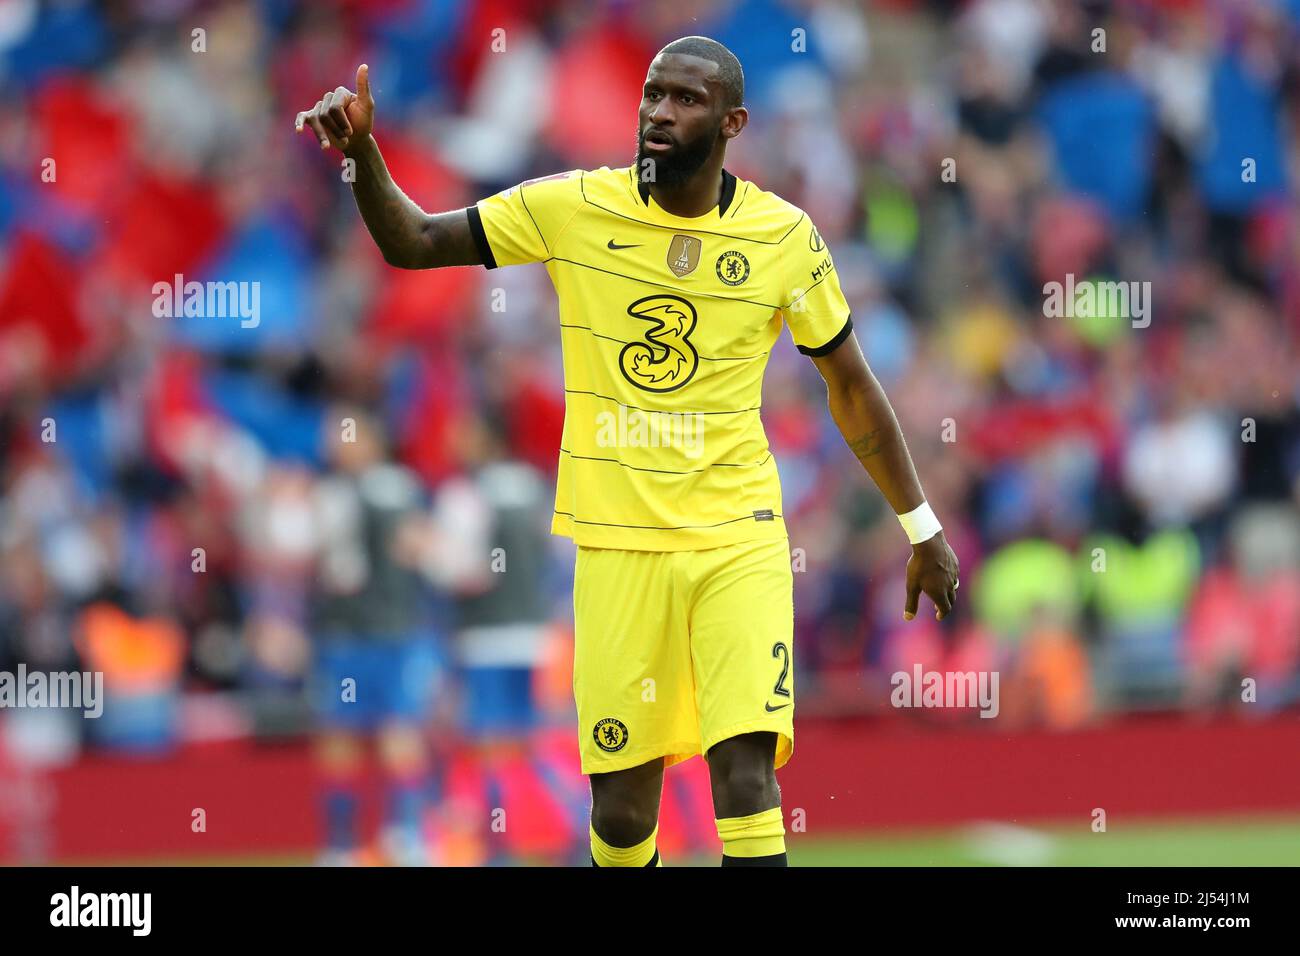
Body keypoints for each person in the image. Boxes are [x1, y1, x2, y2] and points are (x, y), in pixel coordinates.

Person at [295, 36, 959, 867]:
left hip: (736, 537)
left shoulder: (782, 237)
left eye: (684, 100)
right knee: (618, 807)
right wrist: (361, 156)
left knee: (745, 774)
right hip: (617, 546)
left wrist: (921, 526)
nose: (658, 114)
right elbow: (418, 243)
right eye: (652, 95)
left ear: (732, 122)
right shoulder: (575, 206)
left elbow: (853, 387)